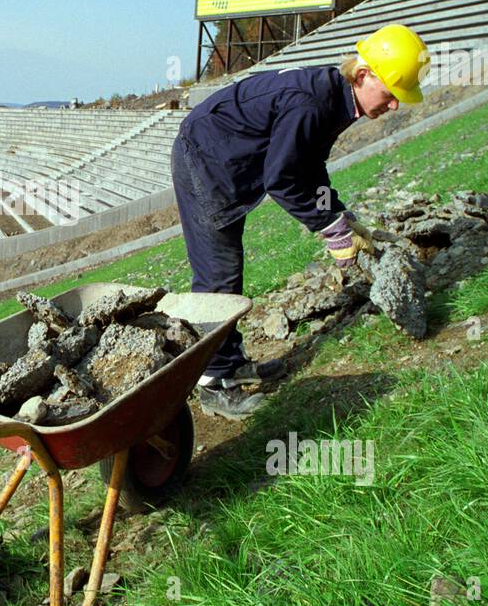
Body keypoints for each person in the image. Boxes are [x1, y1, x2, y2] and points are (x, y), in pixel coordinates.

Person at [172, 23, 430, 419]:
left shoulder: (336, 99)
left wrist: (339, 213)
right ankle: (213, 383)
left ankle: (232, 364)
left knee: (228, 268)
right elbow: (283, 179)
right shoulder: (312, 102)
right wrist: (330, 229)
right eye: (392, 92)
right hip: (204, 158)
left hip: (221, 152)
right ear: (363, 75)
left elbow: (309, 165)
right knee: (218, 272)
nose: (395, 104)